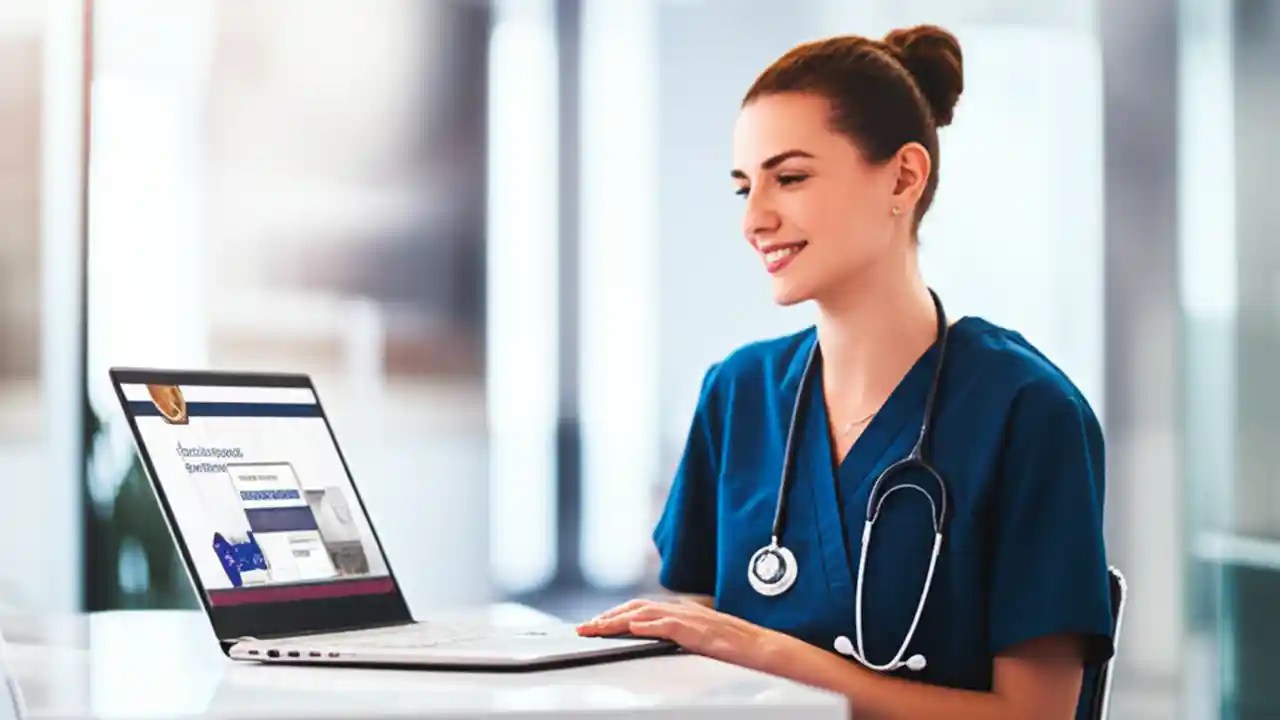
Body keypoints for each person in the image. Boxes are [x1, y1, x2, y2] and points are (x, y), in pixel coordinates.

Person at [577, 24, 1114, 719]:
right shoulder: (736, 396)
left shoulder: (1029, 412)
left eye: (790, 178)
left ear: (903, 176)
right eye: (745, 188)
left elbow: (1034, 715)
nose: (756, 220)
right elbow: (696, 667)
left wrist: (781, 659)